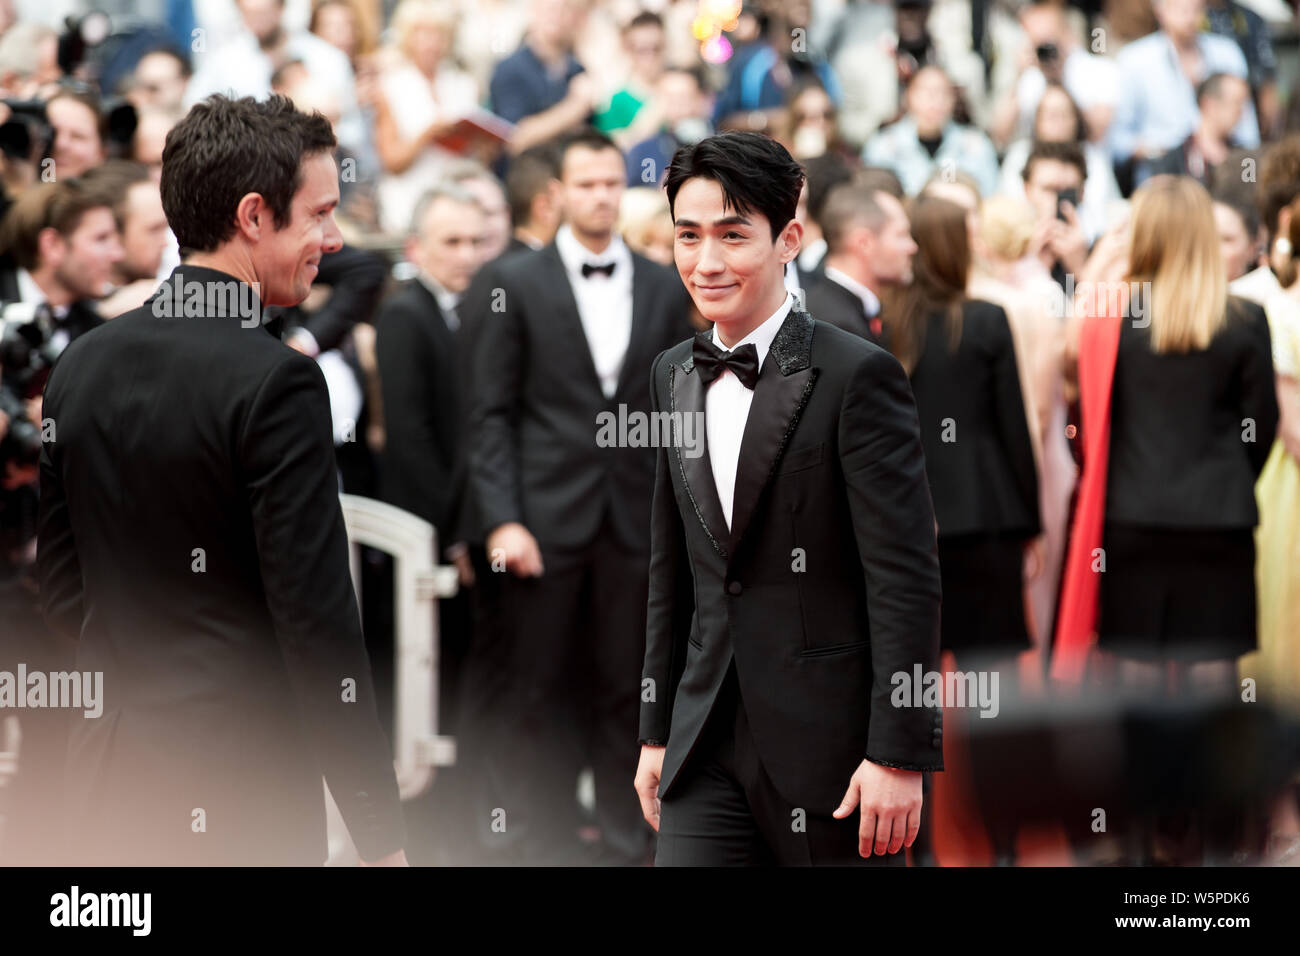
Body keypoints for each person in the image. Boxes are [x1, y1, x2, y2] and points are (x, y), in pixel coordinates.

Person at [35, 93, 408, 866]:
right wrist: (380, 831)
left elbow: (65, 588)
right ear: (252, 216)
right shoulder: (278, 382)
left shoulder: (82, 365)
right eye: (318, 215)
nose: (334, 240)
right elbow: (317, 625)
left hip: (107, 785)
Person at [634, 130, 943, 866]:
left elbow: (904, 577)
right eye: (688, 236)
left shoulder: (855, 375)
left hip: (831, 754)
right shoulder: (672, 374)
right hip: (702, 740)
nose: (706, 262)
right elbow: (670, 566)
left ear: (788, 239)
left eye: (733, 236)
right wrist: (654, 729)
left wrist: (897, 753)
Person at [468, 128, 691, 864]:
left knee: (629, 690)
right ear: (557, 193)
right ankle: (536, 844)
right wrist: (502, 518)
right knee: (535, 692)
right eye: (586, 183)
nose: (600, 195)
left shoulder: (664, 286)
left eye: (610, 182)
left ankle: (630, 843)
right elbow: (490, 412)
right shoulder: (515, 282)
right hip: (542, 523)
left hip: (636, 525)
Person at [1055, 175, 1278, 691]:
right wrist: (1228, 480)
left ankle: (1146, 773)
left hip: (1131, 514)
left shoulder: (1113, 316)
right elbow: (1260, 426)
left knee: (1136, 663)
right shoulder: (1245, 318)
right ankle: (1214, 776)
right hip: (1219, 516)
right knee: (1214, 662)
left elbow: (1085, 410)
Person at [801, 177, 916, 346]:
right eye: (901, 235)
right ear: (864, 243)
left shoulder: (822, 310)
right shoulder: (837, 329)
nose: (912, 247)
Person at [862, 66, 999, 198]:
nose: (935, 102)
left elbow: (990, 197)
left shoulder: (976, 146)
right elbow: (873, 200)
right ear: (908, 96)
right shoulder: (883, 146)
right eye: (926, 92)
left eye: (943, 93)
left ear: (953, 100)